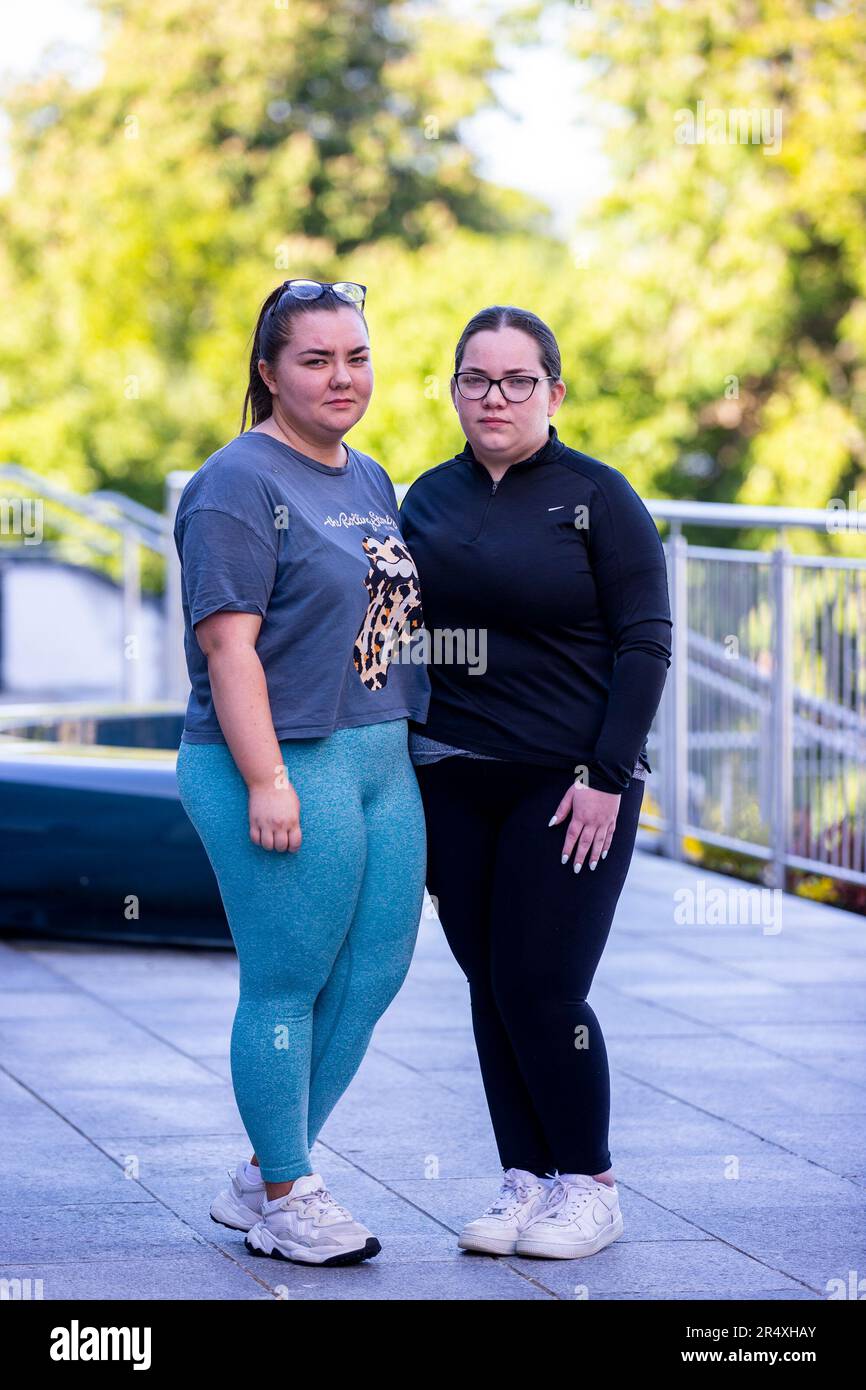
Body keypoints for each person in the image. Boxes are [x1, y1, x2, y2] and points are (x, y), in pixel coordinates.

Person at [399, 305, 672, 1260]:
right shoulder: (425, 500)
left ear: (554, 391)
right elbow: (410, 636)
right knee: (488, 981)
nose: (496, 398)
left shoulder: (600, 496)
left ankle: (589, 1183)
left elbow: (646, 640)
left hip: (571, 784)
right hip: (455, 775)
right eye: (477, 379)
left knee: (543, 981)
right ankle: (525, 1177)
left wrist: (608, 771)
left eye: (518, 381)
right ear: (455, 390)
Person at [173, 278, 431, 1266]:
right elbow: (229, 647)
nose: (341, 376)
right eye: (315, 359)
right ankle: (287, 1190)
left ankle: (263, 1172)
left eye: (355, 356)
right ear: (268, 370)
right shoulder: (240, 481)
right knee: (286, 981)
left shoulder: (366, 476)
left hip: (376, 751)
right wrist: (267, 778)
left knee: (372, 974)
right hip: (279, 757)